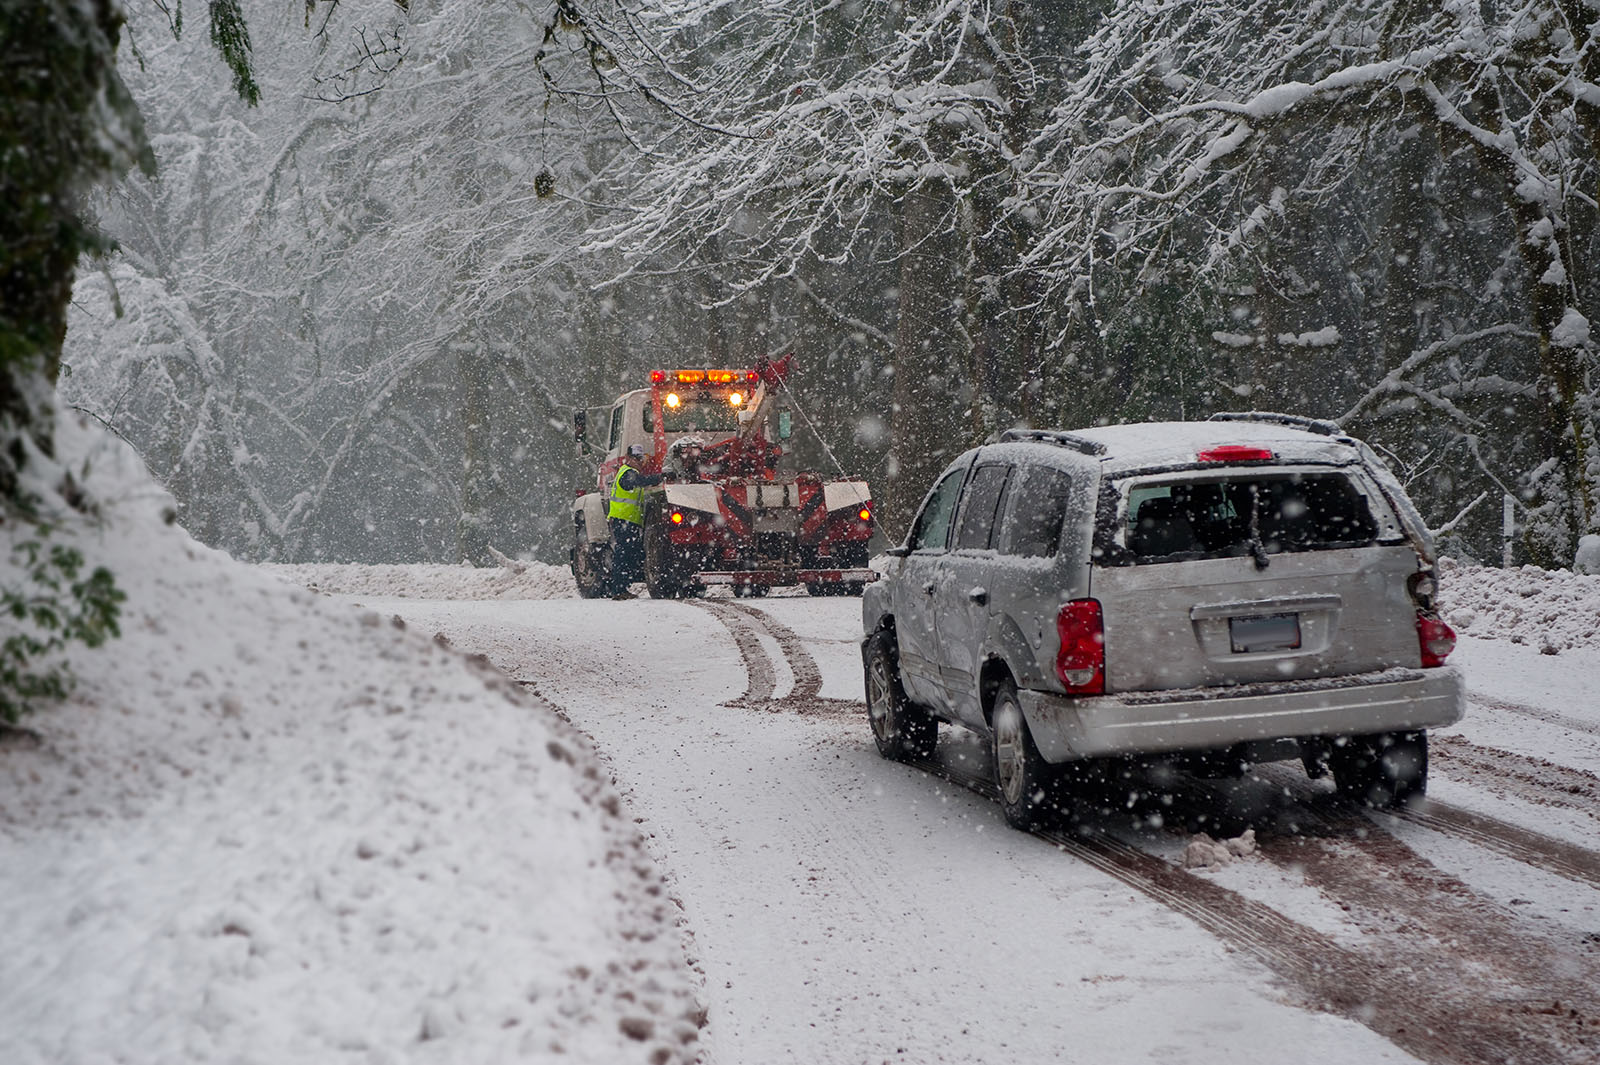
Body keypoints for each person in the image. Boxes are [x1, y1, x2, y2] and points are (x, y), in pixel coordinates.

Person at [607, 443, 663, 597]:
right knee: (624, 554)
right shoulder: (627, 473)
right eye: (635, 458)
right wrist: (659, 477)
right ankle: (619, 589)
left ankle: (622, 588)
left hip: (627, 521)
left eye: (640, 458)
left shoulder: (630, 472)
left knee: (629, 553)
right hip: (623, 520)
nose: (639, 461)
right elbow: (637, 481)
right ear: (628, 458)